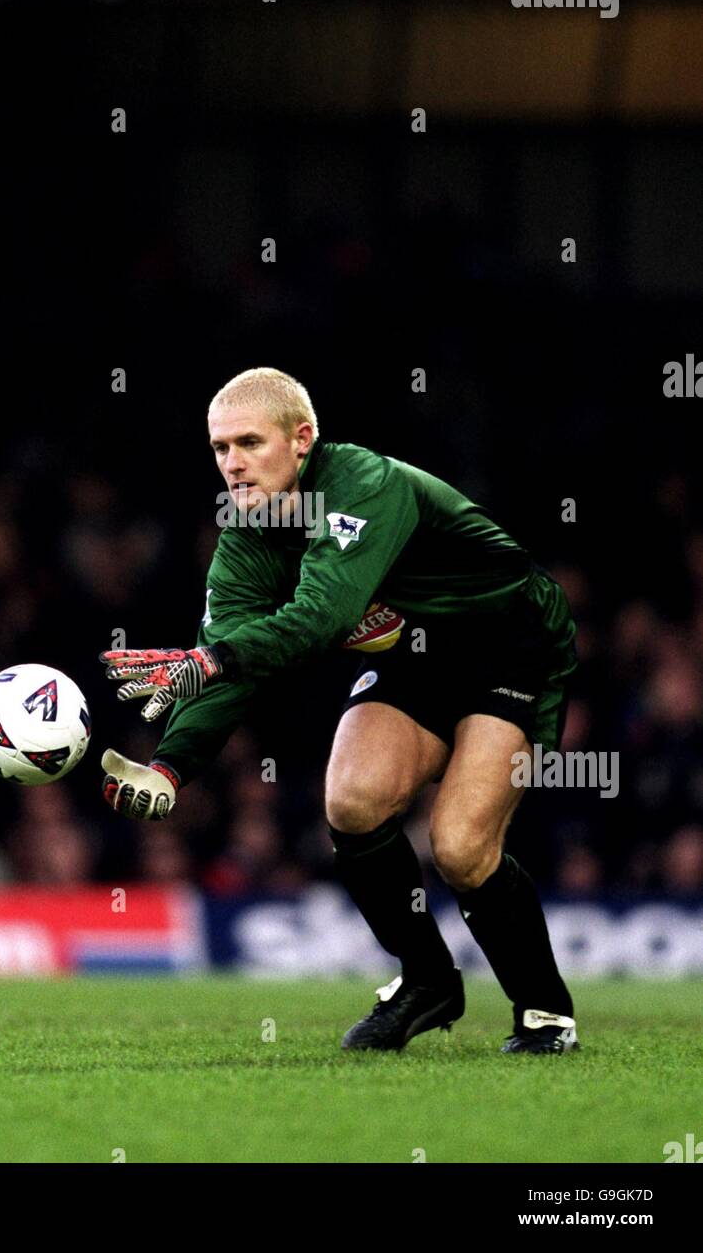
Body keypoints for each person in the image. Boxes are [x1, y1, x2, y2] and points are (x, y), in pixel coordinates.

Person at [99, 367, 579, 1055]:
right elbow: (230, 657)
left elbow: (321, 617)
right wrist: (172, 768)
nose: (232, 463)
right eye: (219, 448)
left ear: (302, 440)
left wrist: (214, 659)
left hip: (510, 647)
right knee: (352, 801)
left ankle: (544, 1010)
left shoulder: (362, 487)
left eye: (248, 442)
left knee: (462, 848)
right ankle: (426, 981)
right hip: (415, 657)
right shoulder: (247, 534)